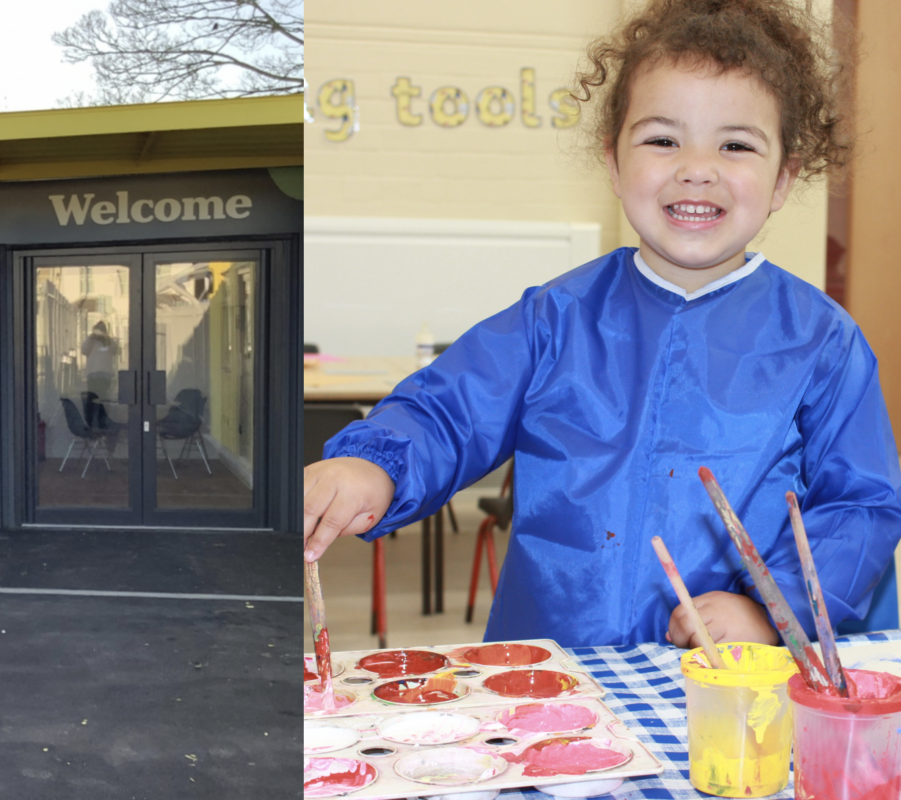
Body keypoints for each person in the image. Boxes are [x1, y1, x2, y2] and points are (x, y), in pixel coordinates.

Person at [302, 0, 901, 649]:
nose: (696, 166)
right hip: (562, 665)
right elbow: (447, 412)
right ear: (614, 163)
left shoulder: (822, 342)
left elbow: (860, 509)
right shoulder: (553, 318)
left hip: (733, 684)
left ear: (783, 178)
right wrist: (376, 465)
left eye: (735, 144)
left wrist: (771, 612)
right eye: (663, 139)